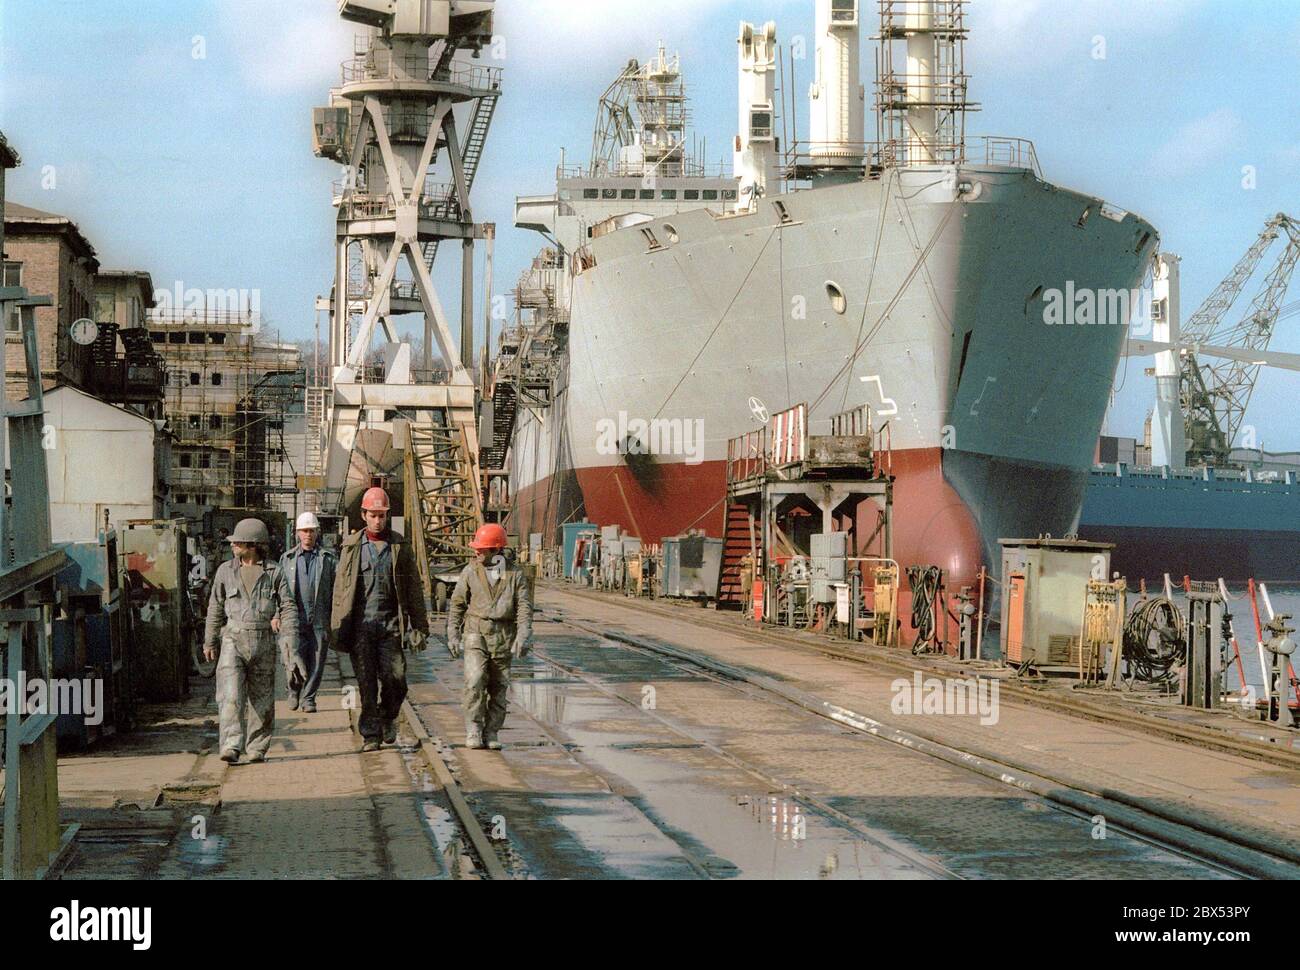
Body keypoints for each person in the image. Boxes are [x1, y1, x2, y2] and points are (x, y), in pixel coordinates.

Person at [330, 486, 429, 752]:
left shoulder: (399, 546)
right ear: (364, 515)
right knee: (366, 683)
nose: (378, 520)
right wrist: (336, 628)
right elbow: (341, 589)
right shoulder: (351, 547)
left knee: (396, 679)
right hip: (361, 628)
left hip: (390, 627)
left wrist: (420, 626)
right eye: (373, 515)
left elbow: (413, 590)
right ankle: (370, 734)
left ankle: (388, 718)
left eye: (382, 515)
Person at [203, 518, 302, 764]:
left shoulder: (274, 572)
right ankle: (231, 745)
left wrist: (290, 642)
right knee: (230, 695)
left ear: (253, 544)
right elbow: (215, 606)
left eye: (238, 542)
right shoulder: (226, 571)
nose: (233, 545)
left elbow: (288, 607)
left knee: (263, 699)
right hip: (232, 641)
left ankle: (257, 747)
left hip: (264, 641)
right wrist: (209, 641)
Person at [447, 523, 533, 750]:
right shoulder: (470, 572)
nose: (476, 552)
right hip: (476, 633)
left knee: (499, 688)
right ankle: (474, 728)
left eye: (481, 549)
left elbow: (524, 608)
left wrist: (523, 635)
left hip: (503, 636)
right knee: (474, 680)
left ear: (496, 550)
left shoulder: (516, 576)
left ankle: (492, 731)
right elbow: (457, 604)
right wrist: (453, 635)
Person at [276, 511, 336, 713]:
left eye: (311, 531)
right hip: (294, 619)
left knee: (317, 661)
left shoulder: (328, 559)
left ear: (317, 532)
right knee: (293, 658)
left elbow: (337, 591)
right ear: (297, 533)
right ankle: (293, 690)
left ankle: (309, 698)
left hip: (319, 618)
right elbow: (278, 591)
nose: (308, 535)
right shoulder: (287, 559)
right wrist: (277, 615)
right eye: (304, 531)